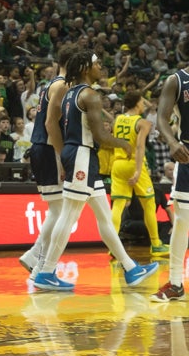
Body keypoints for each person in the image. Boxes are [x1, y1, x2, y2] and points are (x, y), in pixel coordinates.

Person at [31, 51, 158, 291]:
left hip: (79, 154)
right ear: (85, 68)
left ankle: (130, 268)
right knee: (69, 215)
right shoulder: (90, 95)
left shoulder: (70, 93)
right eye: (97, 63)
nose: (102, 67)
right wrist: (123, 144)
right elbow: (100, 135)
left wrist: (63, 157)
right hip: (81, 154)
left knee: (104, 216)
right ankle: (46, 272)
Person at [18, 47, 72, 273]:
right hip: (49, 148)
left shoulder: (49, 84)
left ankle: (38, 261)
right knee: (60, 212)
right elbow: (53, 126)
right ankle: (36, 258)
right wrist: (62, 160)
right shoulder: (62, 85)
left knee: (55, 211)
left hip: (40, 147)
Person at [110, 91, 167, 255]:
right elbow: (141, 147)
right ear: (136, 104)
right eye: (142, 101)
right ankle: (156, 244)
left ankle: (114, 247)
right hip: (134, 163)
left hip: (118, 163)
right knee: (149, 203)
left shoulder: (117, 119)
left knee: (118, 206)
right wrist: (137, 170)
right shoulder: (143, 123)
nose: (145, 104)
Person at [151, 68, 189, 302]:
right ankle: (175, 282)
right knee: (183, 223)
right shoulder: (177, 80)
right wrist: (172, 142)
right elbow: (161, 120)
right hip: (187, 155)